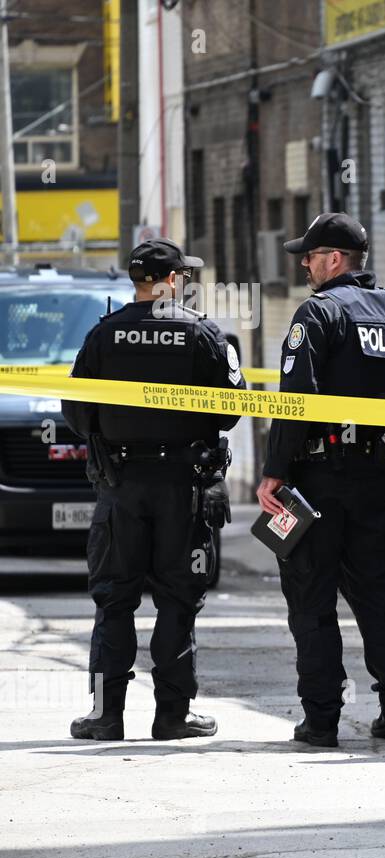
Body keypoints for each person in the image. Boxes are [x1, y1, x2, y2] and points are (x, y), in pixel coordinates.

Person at [64, 238, 245, 741]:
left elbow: (76, 411)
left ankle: (106, 716)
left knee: (114, 602)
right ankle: (172, 715)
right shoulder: (204, 334)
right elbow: (230, 408)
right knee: (178, 600)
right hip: (182, 489)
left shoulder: (104, 335)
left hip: (120, 487)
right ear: (171, 281)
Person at [255, 212, 385, 749]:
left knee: (312, 598)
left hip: (318, 478)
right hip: (373, 477)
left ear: (334, 259)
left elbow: (296, 403)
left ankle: (322, 719)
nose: (304, 264)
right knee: (377, 594)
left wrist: (274, 473)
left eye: (310, 255)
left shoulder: (319, 313)